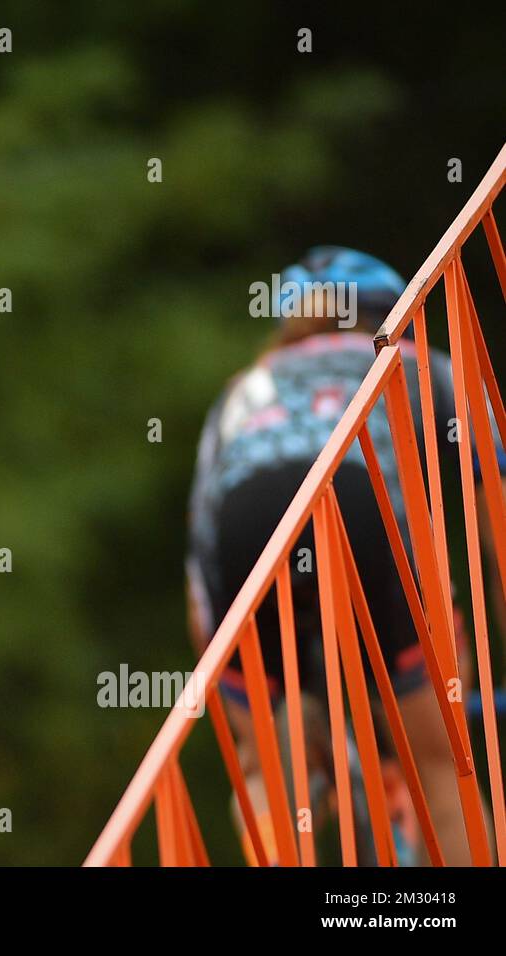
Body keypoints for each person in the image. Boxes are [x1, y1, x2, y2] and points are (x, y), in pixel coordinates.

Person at [185, 246, 473, 865]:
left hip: (246, 519)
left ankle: (276, 790)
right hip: (354, 496)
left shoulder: (242, 390)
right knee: (440, 766)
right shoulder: (411, 359)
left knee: (262, 770)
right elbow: (491, 489)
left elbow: (199, 560)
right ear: (387, 314)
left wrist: (242, 713)